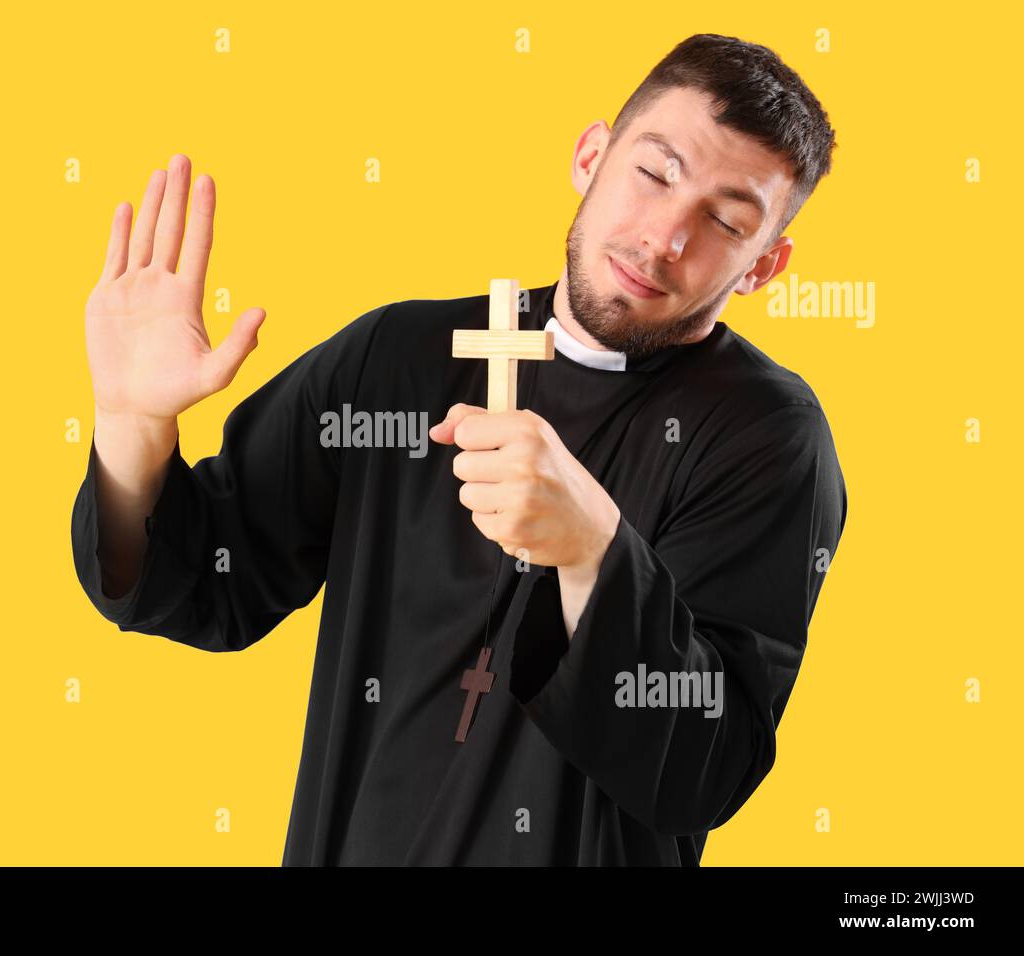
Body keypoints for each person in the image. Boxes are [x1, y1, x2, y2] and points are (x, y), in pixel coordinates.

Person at [71, 33, 847, 866]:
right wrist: (132, 422)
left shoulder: (768, 438)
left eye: (725, 222)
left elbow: (706, 768)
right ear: (591, 156)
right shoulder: (399, 357)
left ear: (764, 265)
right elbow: (198, 585)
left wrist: (594, 553)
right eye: (654, 173)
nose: (665, 237)